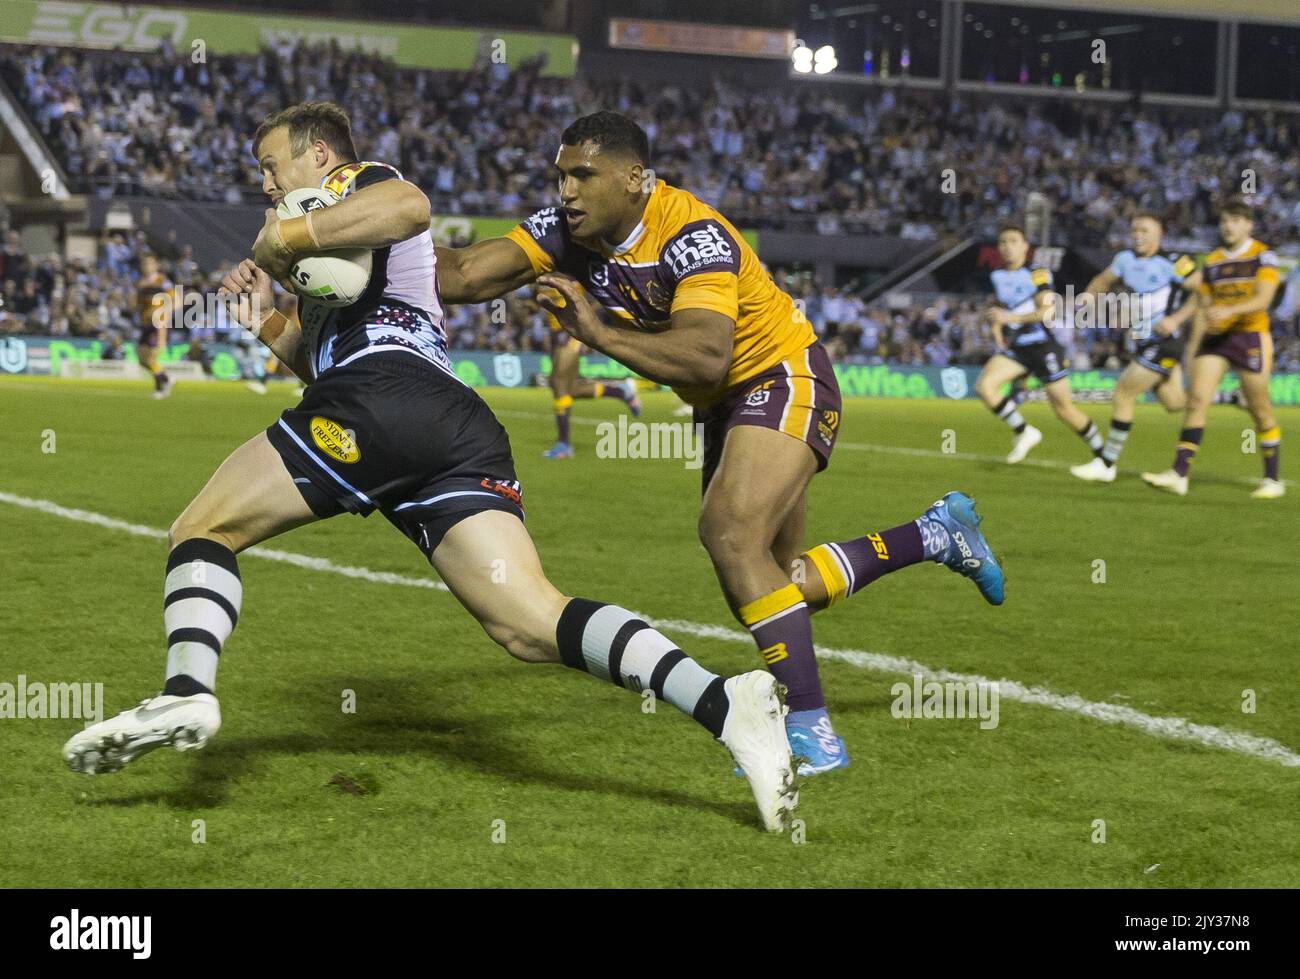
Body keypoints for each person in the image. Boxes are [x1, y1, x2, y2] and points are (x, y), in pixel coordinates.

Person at [62, 101, 800, 834]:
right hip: (444, 424)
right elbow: (329, 367)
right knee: (529, 621)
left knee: (203, 526)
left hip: (386, 400)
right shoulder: (331, 251)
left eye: (271, 165)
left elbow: (410, 204)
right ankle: (727, 704)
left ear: (321, 158)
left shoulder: (361, 183)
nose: (264, 182)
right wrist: (265, 318)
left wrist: (286, 232)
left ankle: (185, 690)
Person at [434, 111, 1005, 776]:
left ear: (634, 180)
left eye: (584, 175)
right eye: (561, 175)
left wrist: (594, 331)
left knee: (730, 532)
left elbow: (707, 355)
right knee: (770, 585)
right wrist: (365, 243)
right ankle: (935, 535)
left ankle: (812, 733)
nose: (566, 190)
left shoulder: (692, 235)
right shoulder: (563, 231)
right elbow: (467, 274)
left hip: (783, 376)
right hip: (726, 405)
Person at [1142, 199, 1284, 499]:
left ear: (1248, 224)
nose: (1228, 226)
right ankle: (1179, 473)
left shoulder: (1263, 256)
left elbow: (1264, 299)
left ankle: (1272, 479)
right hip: (1217, 338)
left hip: (1249, 336)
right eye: (1224, 221)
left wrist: (1231, 312)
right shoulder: (1214, 260)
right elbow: (1201, 303)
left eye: (1234, 220)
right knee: (1195, 400)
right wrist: (1182, 327)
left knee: (1260, 410)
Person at [1070, 212, 1202, 482]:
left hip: (1165, 342)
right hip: (1143, 341)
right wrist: (1087, 297)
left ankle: (1106, 464)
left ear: (1159, 235)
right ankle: (1231, 398)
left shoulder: (1174, 262)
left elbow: (1204, 292)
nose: (1138, 235)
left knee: (1123, 394)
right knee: (1174, 403)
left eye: (1145, 230)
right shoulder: (1124, 260)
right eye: (1134, 230)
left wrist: (1176, 319)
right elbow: (1102, 281)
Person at [973, 225, 1105, 465]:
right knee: (984, 386)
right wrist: (997, 328)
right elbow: (1001, 307)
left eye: (1013, 241)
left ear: (1025, 246)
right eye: (1002, 242)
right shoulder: (997, 276)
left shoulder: (1038, 274)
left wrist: (1009, 319)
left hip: (1043, 347)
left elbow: (1047, 311)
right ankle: (1024, 431)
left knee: (1064, 410)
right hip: (1018, 349)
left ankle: (1104, 456)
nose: (1007, 246)